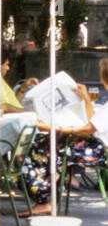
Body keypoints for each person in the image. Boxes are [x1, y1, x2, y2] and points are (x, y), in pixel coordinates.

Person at [20, 80, 106, 215]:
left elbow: (87, 129)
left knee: (34, 151)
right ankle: (50, 195)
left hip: (98, 149)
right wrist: (86, 99)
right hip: (95, 144)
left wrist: (52, 127)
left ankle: (46, 201)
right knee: (45, 145)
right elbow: (91, 121)